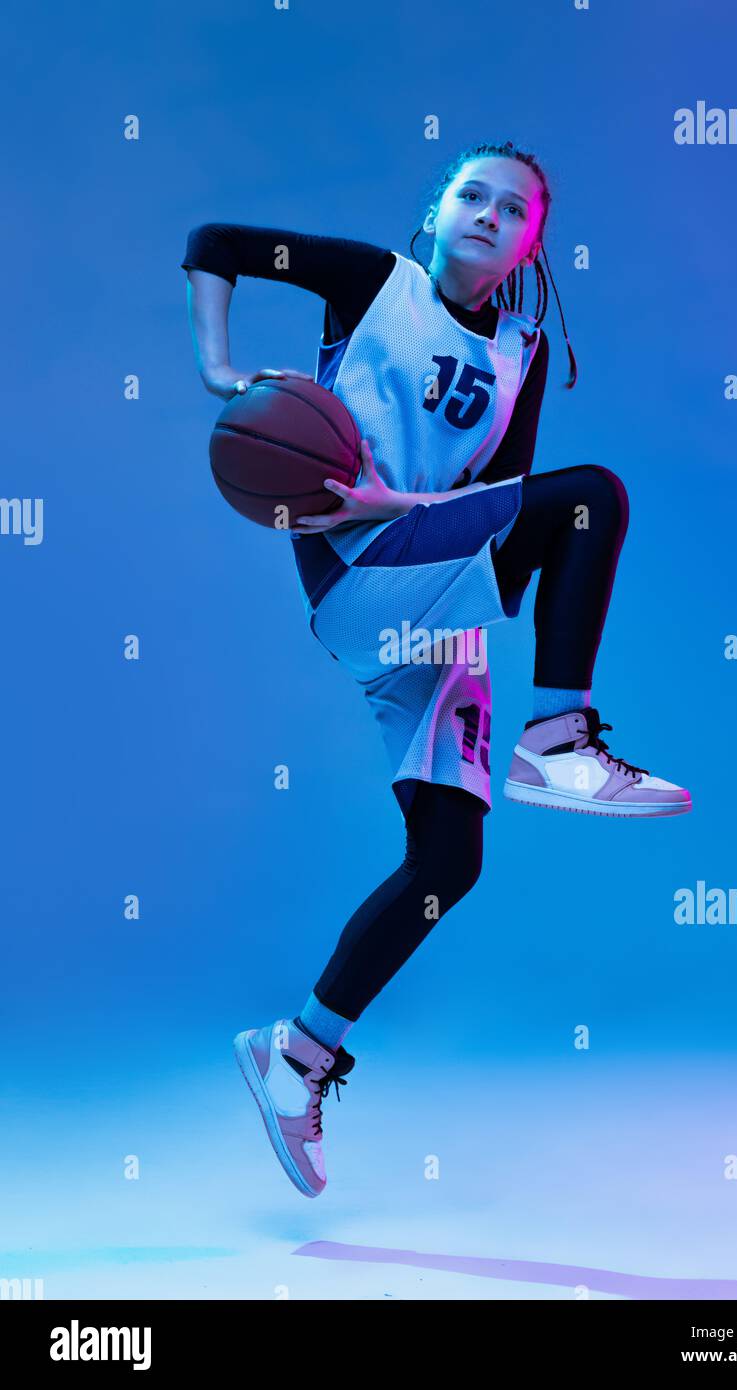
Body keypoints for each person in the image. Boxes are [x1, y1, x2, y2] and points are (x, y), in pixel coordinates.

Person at [181, 139, 691, 1199]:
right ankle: (558, 737)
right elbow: (215, 244)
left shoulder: (522, 352)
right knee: (591, 493)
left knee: (447, 861)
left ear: (530, 250)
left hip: (432, 590)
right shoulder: (375, 284)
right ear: (436, 205)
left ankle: (296, 1053)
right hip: (358, 573)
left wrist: (403, 510)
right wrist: (221, 371)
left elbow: (499, 499)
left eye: (516, 212)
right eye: (473, 194)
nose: (489, 215)